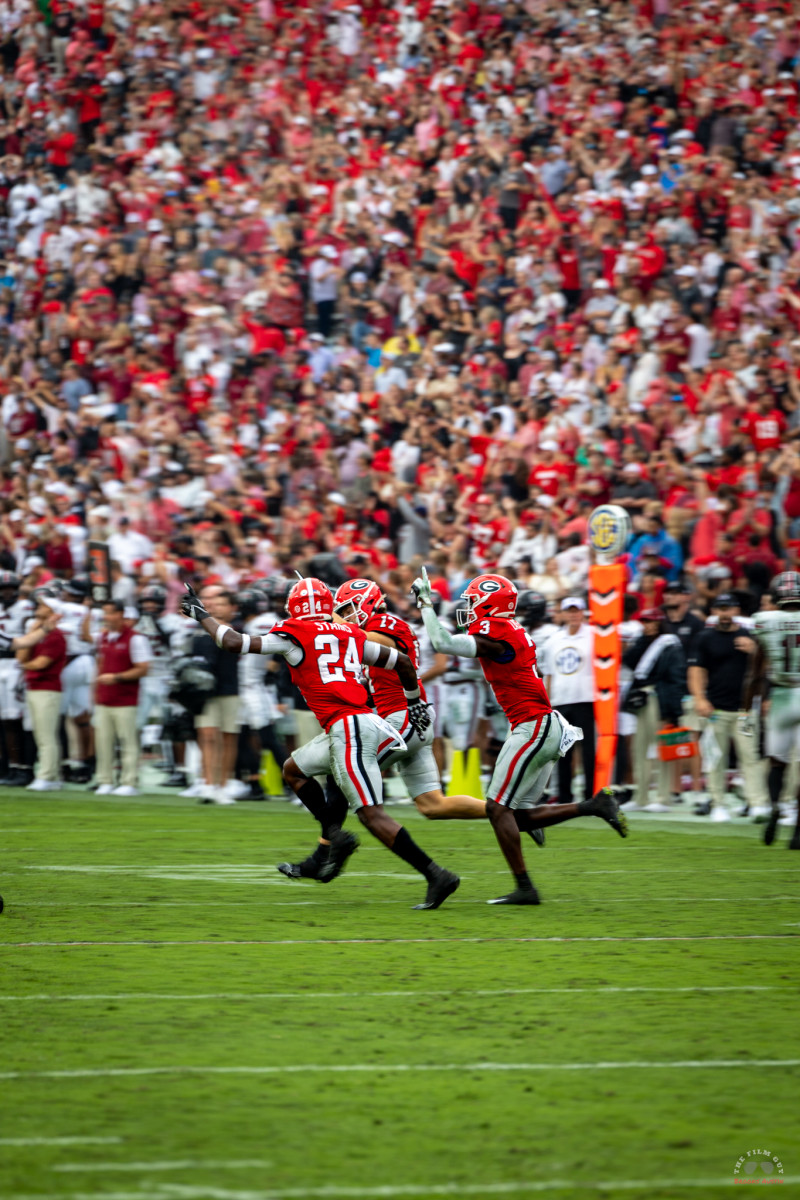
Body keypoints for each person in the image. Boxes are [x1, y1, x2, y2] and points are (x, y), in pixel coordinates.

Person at [181, 577, 461, 910]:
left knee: (372, 816)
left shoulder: (294, 633)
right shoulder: (352, 633)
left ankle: (435, 874)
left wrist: (201, 614)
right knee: (294, 770)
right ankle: (333, 835)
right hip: (360, 723)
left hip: (350, 728)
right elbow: (401, 662)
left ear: (293, 608)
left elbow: (232, 641)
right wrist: (415, 702)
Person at [412, 568, 627, 906]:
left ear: (489, 604)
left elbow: (442, 643)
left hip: (534, 726)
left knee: (498, 810)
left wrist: (425, 603)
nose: (468, 607)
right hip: (540, 724)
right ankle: (590, 806)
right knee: (511, 813)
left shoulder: (496, 630)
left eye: (473, 601)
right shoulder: (511, 630)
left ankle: (527, 886)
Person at [280, 578, 489, 881]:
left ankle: (325, 855)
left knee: (345, 773)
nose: (346, 615)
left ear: (367, 601)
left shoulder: (386, 623)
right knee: (434, 805)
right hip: (405, 721)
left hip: (402, 719)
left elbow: (364, 640)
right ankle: (509, 813)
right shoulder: (365, 630)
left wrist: (323, 620)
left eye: (348, 608)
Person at [689, 593, 768, 822]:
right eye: (721, 609)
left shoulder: (749, 636)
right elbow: (696, 671)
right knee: (715, 759)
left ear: (736, 611)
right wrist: (700, 698)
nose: (725, 613)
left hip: (745, 710)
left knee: (750, 758)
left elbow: (766, 669)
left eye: (729, 608)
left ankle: (757, 804)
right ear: (715, 611)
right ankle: (718, 804)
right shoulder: (705, 638)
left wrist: (755, 651)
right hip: (717, 711)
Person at [745, 572, 800, 849]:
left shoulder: (766, 621)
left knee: (777, 762)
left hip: (779, 697)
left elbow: (755, 672)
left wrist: (746, 708)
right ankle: (799, 828)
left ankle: (777, 806)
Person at [622, 608, 686, 813]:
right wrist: (641, 640)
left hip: (660, 700)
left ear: (659, 623)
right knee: (639, 749)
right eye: (645, 621)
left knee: (662, 750)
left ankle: (662, 796)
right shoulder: (643, 642)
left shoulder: (670, 645)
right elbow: (629, 660)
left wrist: (674, 709)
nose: (648, 625)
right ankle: (640, 797)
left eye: (651, 621)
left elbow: (676, 678)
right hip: (642, 700)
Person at [90, 600, 151, 796]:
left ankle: (129, 781)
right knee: (103, 742)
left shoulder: (136, 638)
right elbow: (99, 665)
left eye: (109, 613)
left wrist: (117, 677)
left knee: (128, 742)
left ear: (120, 615)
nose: (105, 617)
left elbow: (143, 668)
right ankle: (105, 780)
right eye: (104, 613)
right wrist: (96, 692)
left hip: (126, 699)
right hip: (105, 698)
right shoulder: (103, 637)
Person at [188, 585, 242, 805]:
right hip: (206, 691)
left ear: (232, 608)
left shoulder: (236, 629)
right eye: (214, 604)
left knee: (228, 737)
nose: (217, 607)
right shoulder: (201, 628)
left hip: (229, 689)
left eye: (222, 604)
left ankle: (223, 785)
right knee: (208, 736)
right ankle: (208, 784)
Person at [135, 582, 191, 787]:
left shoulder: (172, 622)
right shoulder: (137, 623)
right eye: (146, 603)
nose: (149, 606)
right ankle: (132, 766)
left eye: (153, 602)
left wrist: (157, 626)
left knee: (172, 724)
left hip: (166, 676)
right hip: (144, 677)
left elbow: (174, 648)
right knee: (136, 724)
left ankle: (178, 768)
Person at [234, 585, 287, 800]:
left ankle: (293, 784)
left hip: (256, 688)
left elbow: (275, 645)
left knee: (268, 739)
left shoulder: (262, 621)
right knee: (243, 737)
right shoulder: (264, 620)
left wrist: (273, 667)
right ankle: (254, 785)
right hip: (249, 687)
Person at [17, 587, 68, 792]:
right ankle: (53, 776)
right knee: (42, 734)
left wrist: (25, 665)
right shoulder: (40, 634)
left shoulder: (55, 636)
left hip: (47, 688)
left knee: (46, 736)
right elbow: (22, 656)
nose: (38, 607)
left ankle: (47, 775)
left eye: (43, 605)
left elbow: (40, 663)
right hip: (35, 687)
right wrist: (33, 632)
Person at [547, 597, 596, 803]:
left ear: (583, 612)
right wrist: (548, 703)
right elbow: (549, 673)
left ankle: (590, 795)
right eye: (569, 611)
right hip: (561, 700)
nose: (573, 615)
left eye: (577, 611)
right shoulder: (554, 640)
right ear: (563, 613)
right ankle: (565, 796)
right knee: (563, 751)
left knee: (587, 751)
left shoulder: (593, 636)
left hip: (586, 698)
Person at [0, 572, 35, 786]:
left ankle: (21, 766)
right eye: (4, 589)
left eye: (11, 588)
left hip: (15, 662)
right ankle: (7, 766)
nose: (7, 592)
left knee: (15, 719)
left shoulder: (26, 608)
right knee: (3, 719)